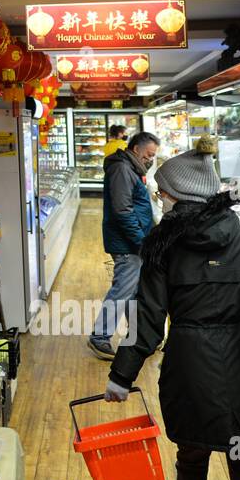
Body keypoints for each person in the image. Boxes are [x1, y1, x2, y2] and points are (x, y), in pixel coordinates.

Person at [103, 140, 240, 480]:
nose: (160, 198)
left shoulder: (163, 242)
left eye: (162, 192)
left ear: (177, 194)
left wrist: (121, 376)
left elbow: (148, 318)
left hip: (190, 368)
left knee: (191, 460)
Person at [89, 131, 158, 360]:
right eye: (149, 155)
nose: (150, 160)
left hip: (131, 241)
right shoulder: (122, 169)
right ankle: (100, 337)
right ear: (136, 149)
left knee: (132, 291)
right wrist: (141, 241)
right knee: (123, 290)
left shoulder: (130, 168)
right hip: (128, 243)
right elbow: (122, 210)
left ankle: (137, 336)